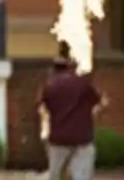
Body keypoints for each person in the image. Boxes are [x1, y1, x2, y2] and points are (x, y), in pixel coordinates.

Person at [37, 42, 108, 180]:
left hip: (58, 139)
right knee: (81, 175)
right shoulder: (82, 84)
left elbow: (42, 109)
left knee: (55, 175)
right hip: (82, 138)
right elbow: (101, 103)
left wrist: (45, 133)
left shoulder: (49, 86)